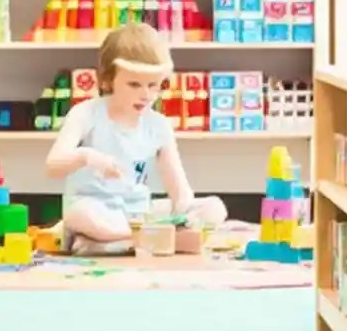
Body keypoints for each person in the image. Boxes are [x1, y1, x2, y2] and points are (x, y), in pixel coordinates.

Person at [44, 22, 227, 255]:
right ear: (107, 80)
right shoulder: (85, 114)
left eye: (154, 85)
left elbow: (180, 190)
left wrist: (184, 217)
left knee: (214, 208)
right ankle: (147, 240)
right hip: (97, 210)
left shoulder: (158, 125)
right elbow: (52, 167)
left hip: (140, 214)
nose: (146, 95)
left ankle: (119, 243)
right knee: (78, 215)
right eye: (134, 84)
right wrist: (88, 157)